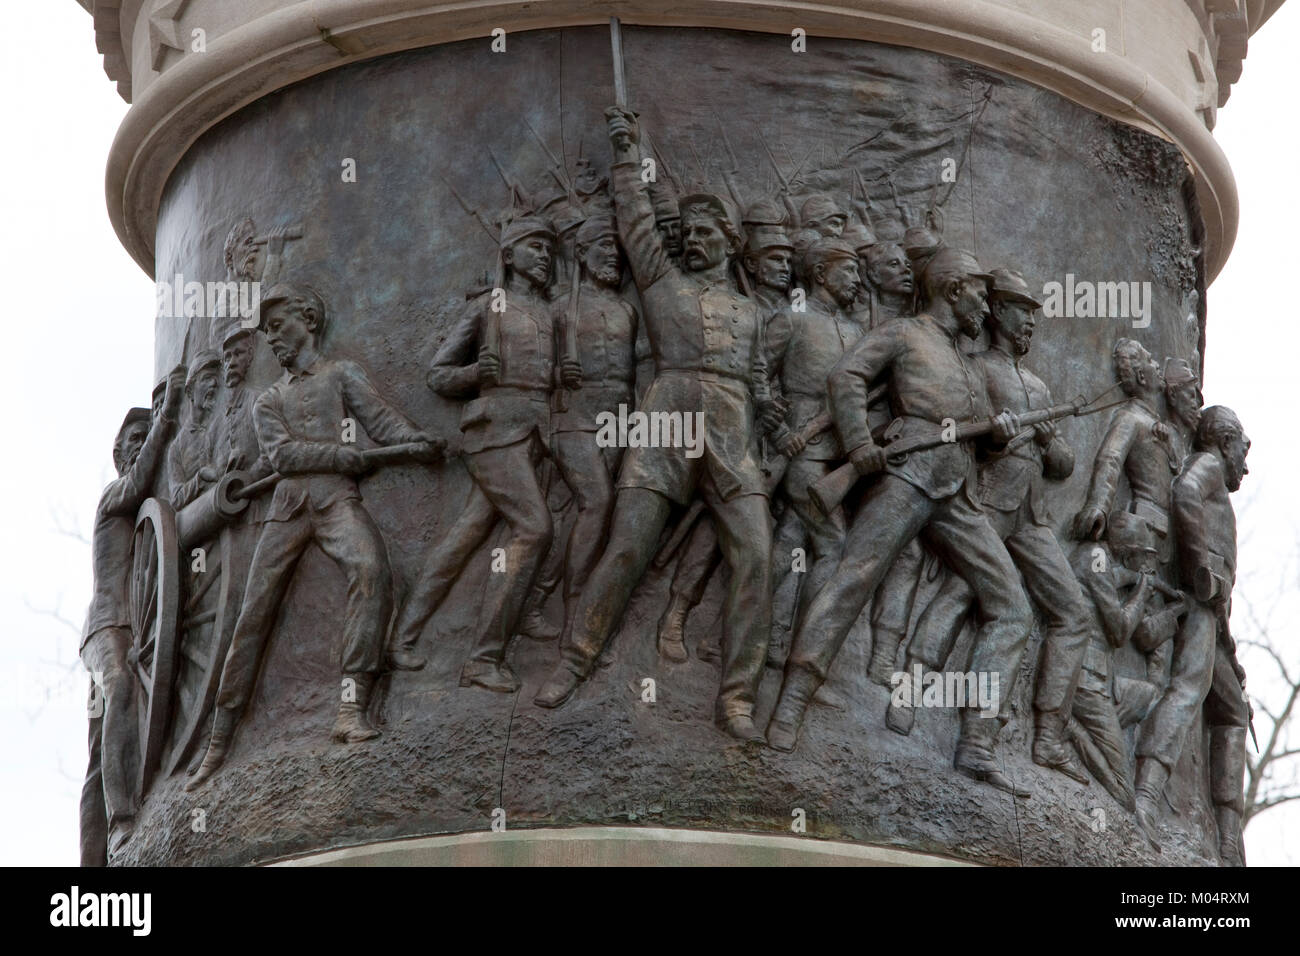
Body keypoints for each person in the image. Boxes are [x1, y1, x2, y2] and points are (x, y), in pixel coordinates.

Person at [535, 106, 783, 742]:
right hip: (667, 422)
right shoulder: (661, 281)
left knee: (756, 556)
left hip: (731, 433)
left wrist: (773, 419)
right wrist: (626, 152)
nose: (693, 239)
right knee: (628, 546)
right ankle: (574, 661)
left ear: (731, 242)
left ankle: (737, 699)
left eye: (706, 232)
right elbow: (637, 221)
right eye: (690, 231)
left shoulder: (751, 313)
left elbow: (758, 382)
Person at [767, 247, 1036, 798]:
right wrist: (860, 444)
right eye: (981, 296)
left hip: (957, 491)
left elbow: (979, 438)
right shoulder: (904, 333)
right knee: (851, 577)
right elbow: (846, 377)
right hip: (908, 477)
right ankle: (793, 699)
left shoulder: (965, 360)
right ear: (954, 289)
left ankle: (976, 745)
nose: (986, 308)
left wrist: (999, 434)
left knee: (1013, 608)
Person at [187, 283, 439, 788]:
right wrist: (337, 455)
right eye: (267, 333)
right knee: (253, 613)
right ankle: (219, 739)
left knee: (371, 571)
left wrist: (416, 441)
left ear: (309, 321)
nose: (272, 339)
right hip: (288, 510)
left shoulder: (341, 375)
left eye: (279, 327)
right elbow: (282, 458)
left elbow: (381, 422)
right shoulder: (269, 401)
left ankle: (351, 708)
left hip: (336, 502)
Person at [888, 269, 1091, 784]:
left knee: (1072, 613)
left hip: (1030, 516)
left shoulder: (1040, 384)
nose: (1030, 323)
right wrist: (1000, 439)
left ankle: (1045, 737)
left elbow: (1064, 464)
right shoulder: (975, 368)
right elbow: (961, 435)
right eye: (1023, 311)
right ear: (998, 311)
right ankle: (913, 694)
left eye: (1033, 315)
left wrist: (1048, 442)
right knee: (960, 597)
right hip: (984, 504)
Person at [386, 217, 572, 691]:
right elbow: (437, 374)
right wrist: (474, 372)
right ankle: (482, 658)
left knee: (464, 538)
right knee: (534, 528)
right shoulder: (488, 308)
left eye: (549, 249)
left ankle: (402, 636)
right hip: (494, 433)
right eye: (534, 247)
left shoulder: (550, 312)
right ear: (509, 256)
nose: (544, 255)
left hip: (536, 435)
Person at [1135, 406, 1251, 864]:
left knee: (1233, 710)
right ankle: (1144, 795)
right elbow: (1183, 493)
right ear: (1225, 442)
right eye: (1244, 446)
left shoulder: (1219, 482)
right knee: (1188, 688)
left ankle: (1227, 838)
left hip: (1216, 610)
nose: (1247, 460)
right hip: (1201, 601)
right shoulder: (1206, 466)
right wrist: (1199, 567)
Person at [80, 367, 185, 863]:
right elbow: (143, 478)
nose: (142, 448)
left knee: (101, 750)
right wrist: (166, 419)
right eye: (135, 442)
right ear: (121, 453)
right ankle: (121, 821)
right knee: (119, 685)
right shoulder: (113, 496)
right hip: (106, 628)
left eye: (147, 438)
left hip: (131, 627)